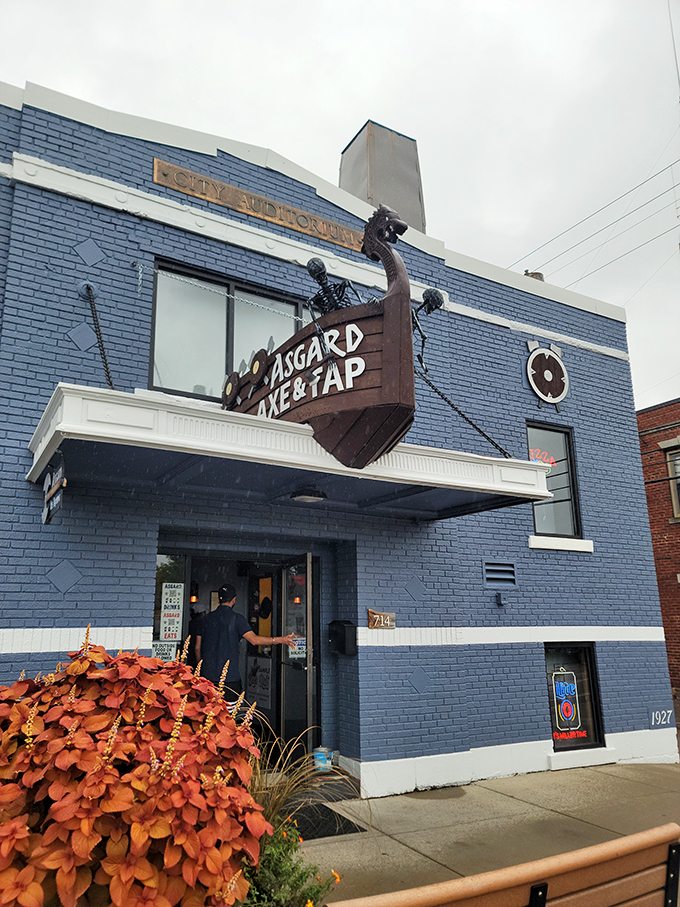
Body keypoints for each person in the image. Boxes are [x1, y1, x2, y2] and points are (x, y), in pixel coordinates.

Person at [195, 583, 296, 700]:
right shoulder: (237, 619)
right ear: (234, 600)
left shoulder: (205, 619)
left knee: (206, 714)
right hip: (229, 679)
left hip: (206, 679)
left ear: (218, 599)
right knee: (228, 715)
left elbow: (197, 648)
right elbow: (254, 640)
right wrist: (280, 639)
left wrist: (201, 670)